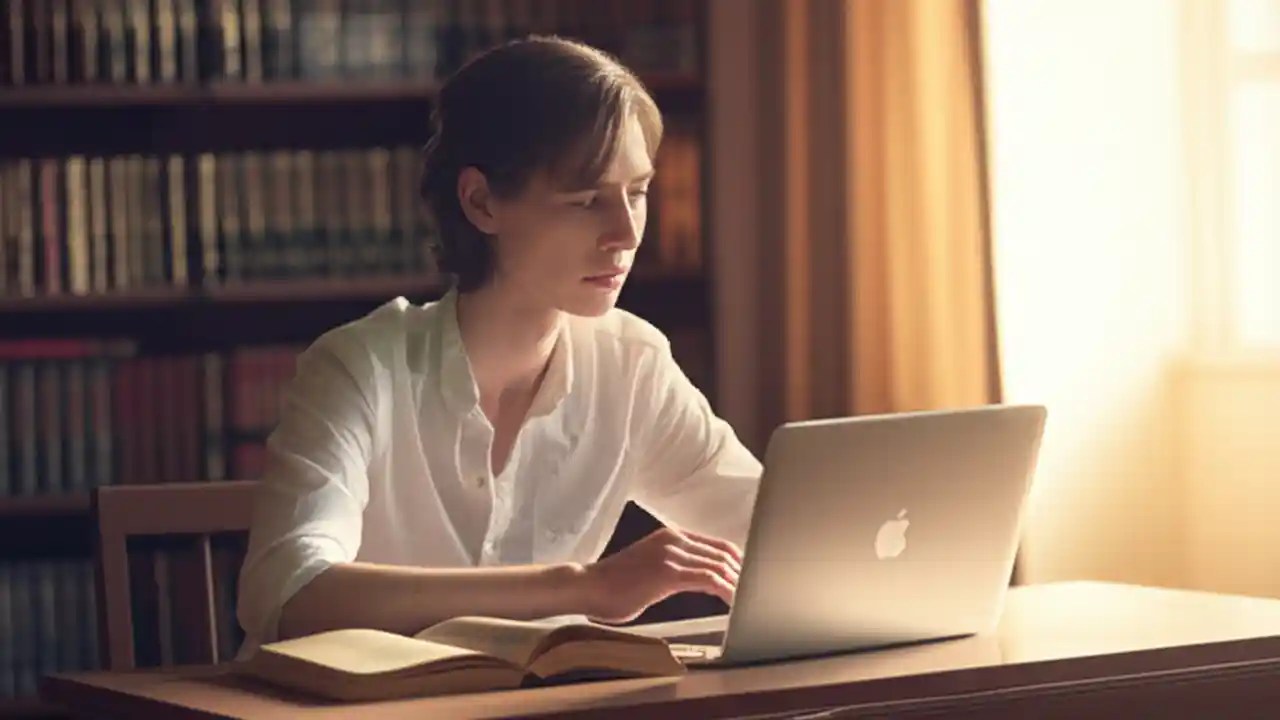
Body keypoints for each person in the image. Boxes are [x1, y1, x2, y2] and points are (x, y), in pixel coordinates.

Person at [235, 36, 761, 656]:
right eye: (587, 200)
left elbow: (779, 531)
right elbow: (288, 595)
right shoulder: (360, 369)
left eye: (638, 193)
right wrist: (583, 588)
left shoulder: (631, 366)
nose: (625, 234)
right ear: (481, 202)